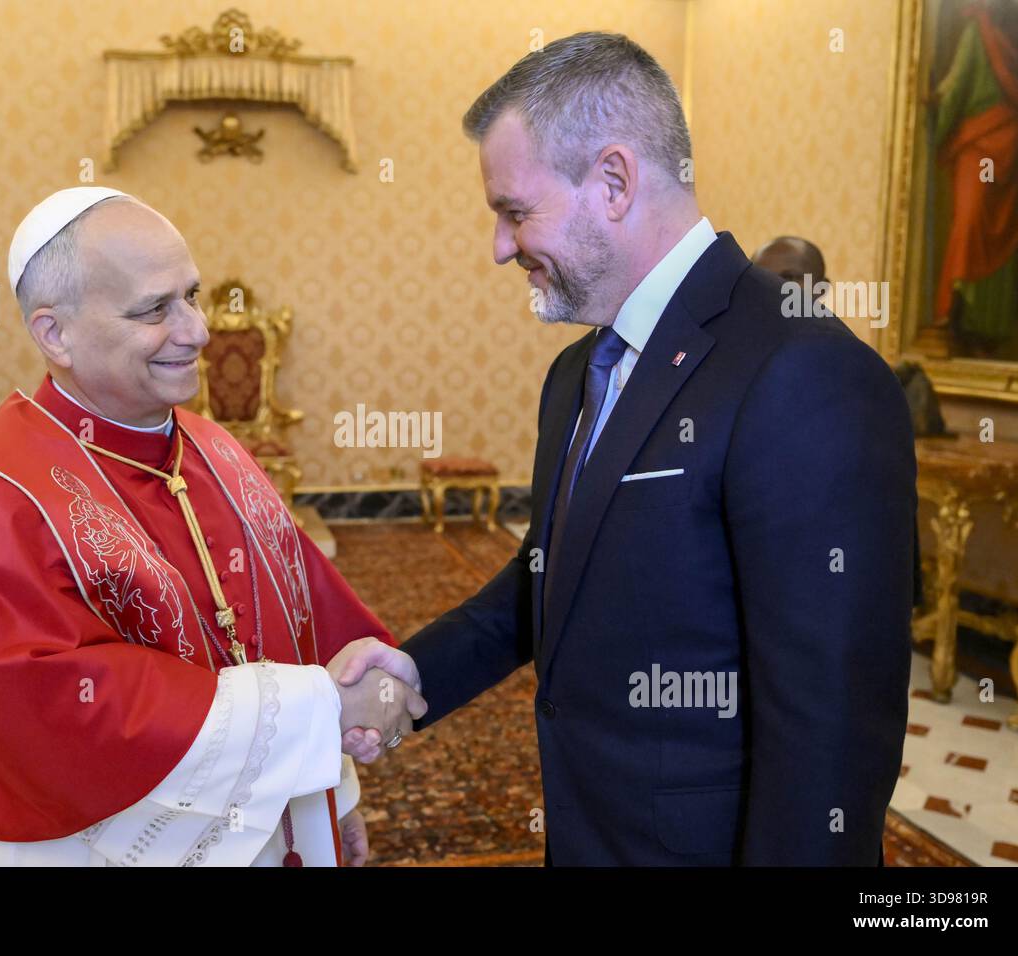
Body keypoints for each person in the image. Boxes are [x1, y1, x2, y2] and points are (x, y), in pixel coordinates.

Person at [339, 32, 916, 866]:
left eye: (514, 211)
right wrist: (407, 677)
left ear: (613, 181)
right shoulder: (578, 371)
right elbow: (548, 577)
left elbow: (832, 737)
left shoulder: (804, 371)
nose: (500, 247)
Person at [0, 187, 426, 867]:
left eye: (191, 296)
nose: (197, 330)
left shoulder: (216, 449)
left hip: (276, 817)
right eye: (154, 310)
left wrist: (336, 797)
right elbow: (65, 717)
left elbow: (304, 627)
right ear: (55, 334)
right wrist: (319, 712)